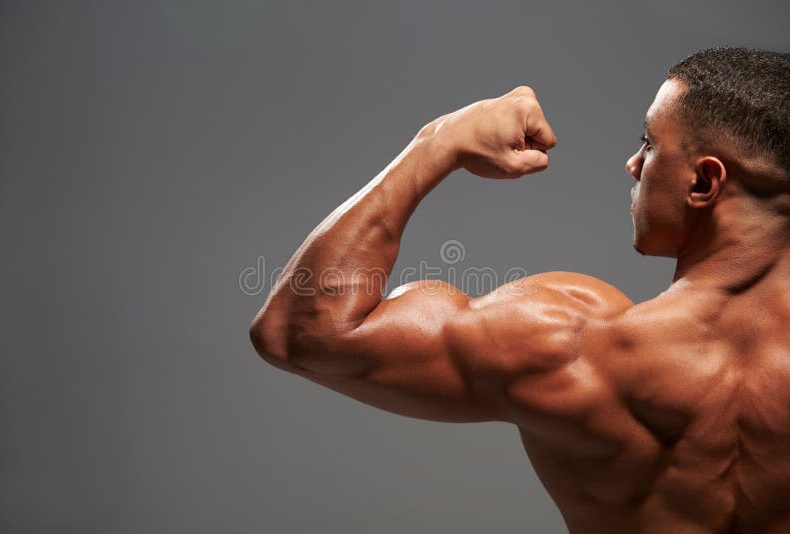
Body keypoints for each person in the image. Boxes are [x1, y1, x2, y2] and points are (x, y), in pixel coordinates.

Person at [249, 47, 790, 533]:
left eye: (649, 144)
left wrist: (439, 140)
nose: (634, 164)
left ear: (703, 182)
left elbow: (300, 332)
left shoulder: (573, 345)